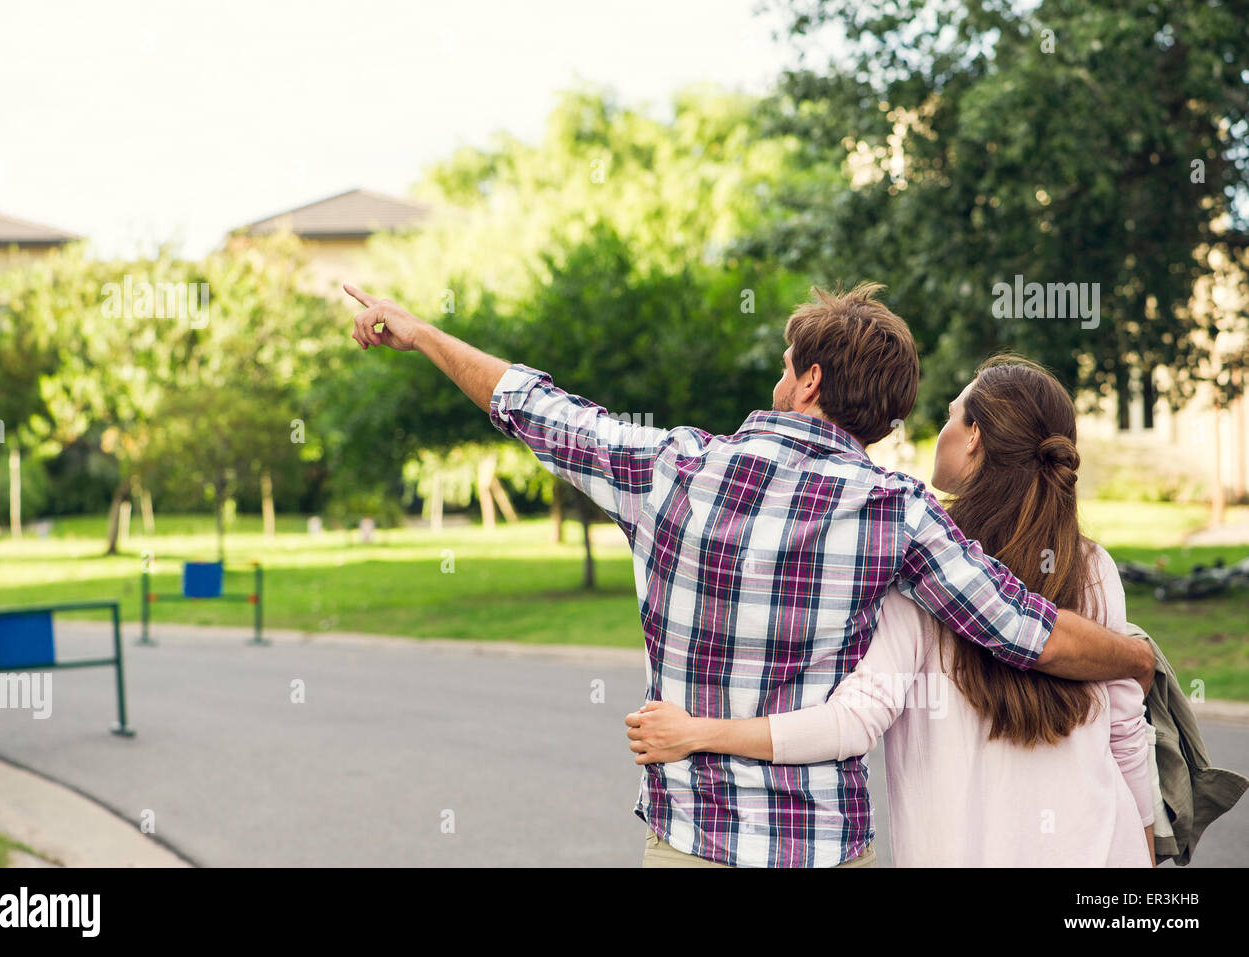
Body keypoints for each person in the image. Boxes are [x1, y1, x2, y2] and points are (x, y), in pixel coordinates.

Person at [344, 281, 1155, 868]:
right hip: (827, 849)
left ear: (807, 381)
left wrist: (423, 334)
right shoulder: (900, 513)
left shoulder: (673, 469)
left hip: (694, 840)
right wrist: (1133, 657)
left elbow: (537, 407)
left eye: (784, 362)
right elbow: (1024, 630)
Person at [625, 356, 1156, 866]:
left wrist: (699, 732)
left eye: (951, 415)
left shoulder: (919, 575)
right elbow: (1129, 736)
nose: (942, 429)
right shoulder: (1091, 567)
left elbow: (851, 723)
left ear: (974, 437)